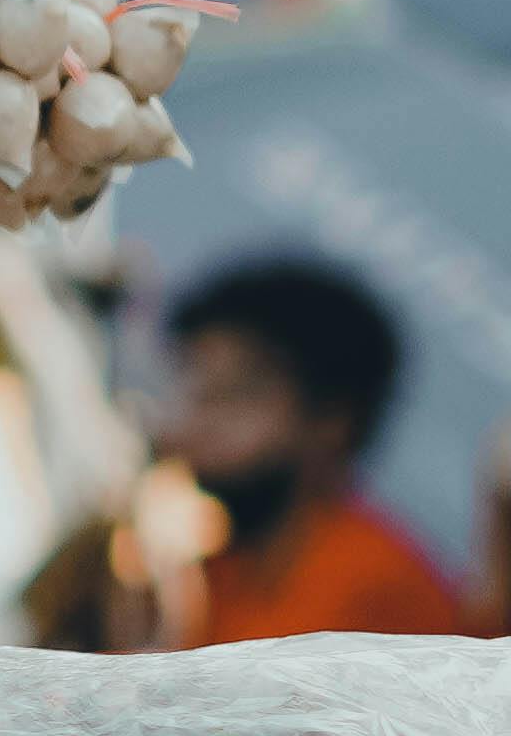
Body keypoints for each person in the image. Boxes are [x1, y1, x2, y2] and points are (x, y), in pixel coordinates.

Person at [43, 253, 486, 648]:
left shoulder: (376, 584)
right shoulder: (198, 561)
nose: (187, 427)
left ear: (332, 421)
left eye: (230, 398)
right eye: (190, 393)